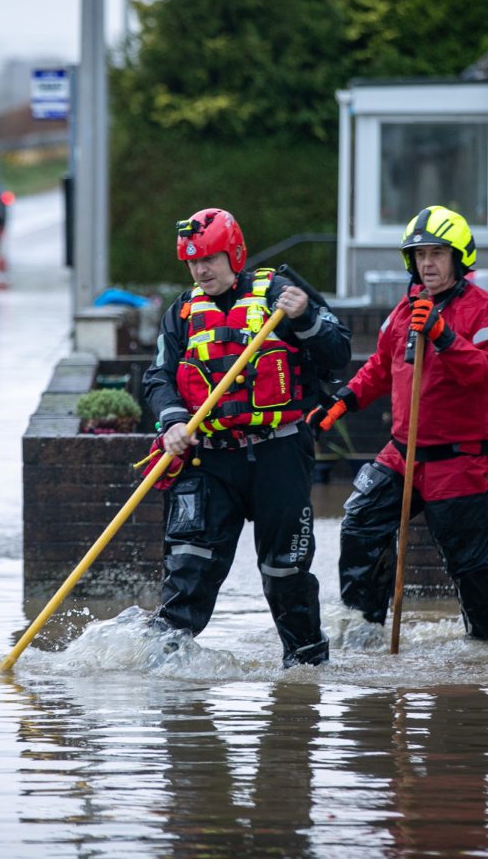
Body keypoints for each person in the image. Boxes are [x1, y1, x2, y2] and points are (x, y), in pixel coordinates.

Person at [141, 207, 351, 667]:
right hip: (210, 461)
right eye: (192, 262)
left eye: (209, 259)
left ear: (234, 253)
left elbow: (339, 352)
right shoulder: (181, 313)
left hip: (278, 452)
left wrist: (305, 318)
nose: (201, 270)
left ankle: (306, 673)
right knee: (189, 567)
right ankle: (165, 679)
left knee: (286, 572)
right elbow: (158, 378)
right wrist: (174, 421)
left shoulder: (281, 295)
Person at [312, 205, 488, 644]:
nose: (427, 263)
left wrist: (443, 335)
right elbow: (381, 368)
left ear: (459, 258)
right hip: (401, 453)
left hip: (457, 461)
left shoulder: (487, 313)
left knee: (470, 566)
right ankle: (365, 630)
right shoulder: (404, 311)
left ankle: (485, 650)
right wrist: (342, 403)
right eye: (419, 254)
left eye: (437, 254)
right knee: (360, 525)